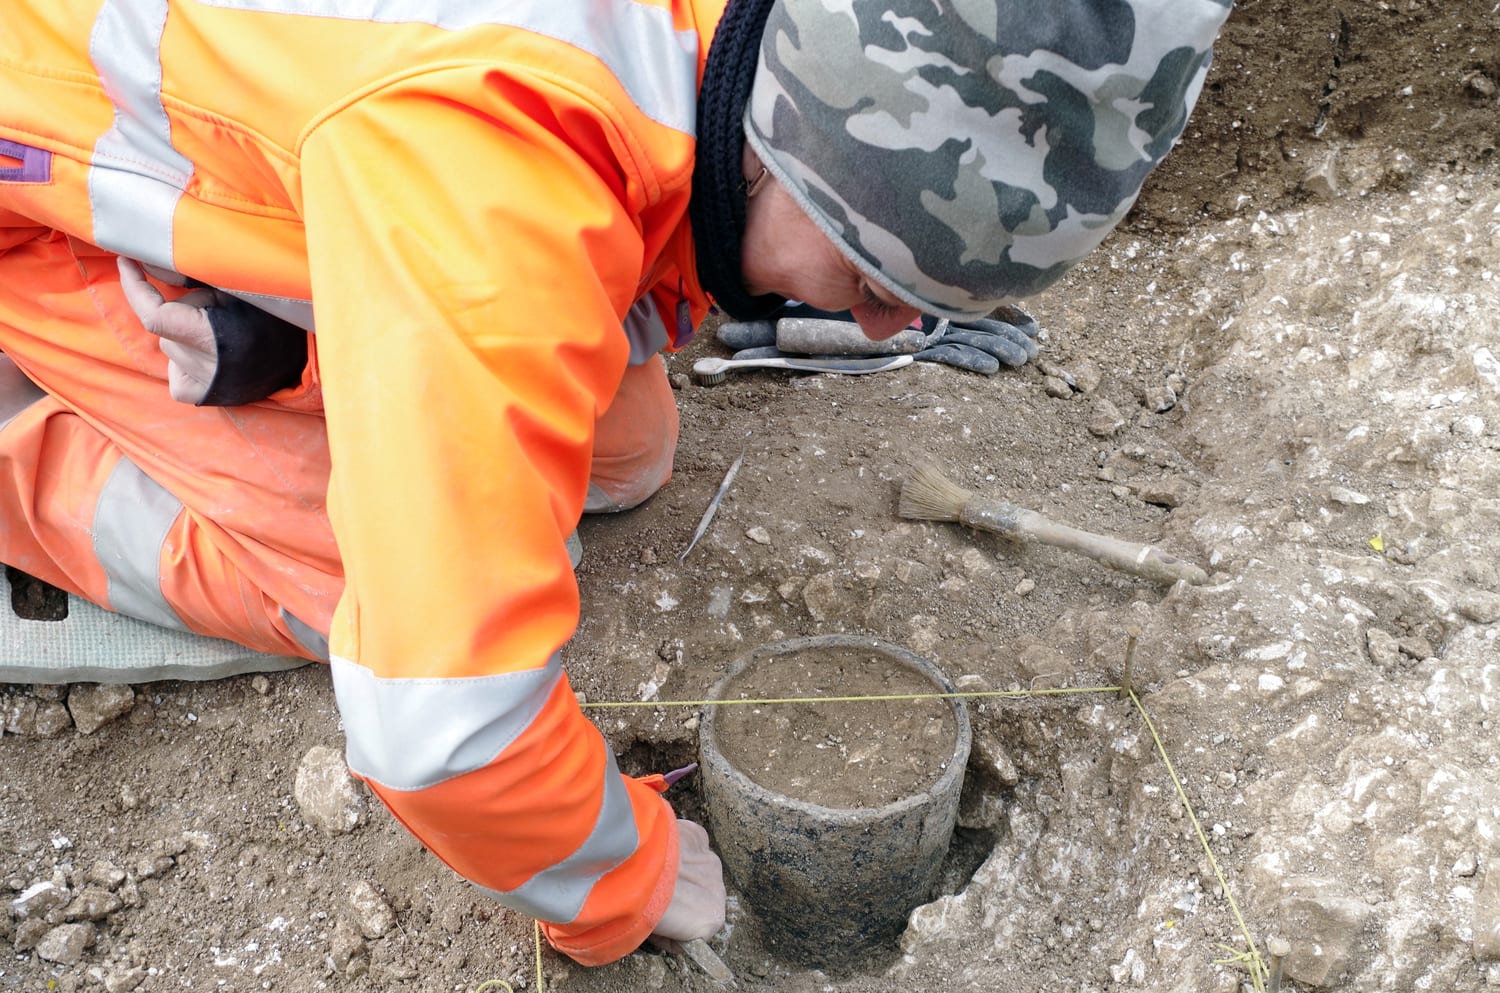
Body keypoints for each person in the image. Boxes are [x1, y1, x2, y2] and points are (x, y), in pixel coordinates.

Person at [0, 0, 1231, 966]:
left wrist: (294, 335)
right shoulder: (497, 195)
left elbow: (512, 223)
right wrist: (622, 877)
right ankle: (23, 466)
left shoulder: (715, 49)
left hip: (235, 180)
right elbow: (438, 733)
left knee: (628, 450)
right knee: (360, 600)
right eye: (874, 268)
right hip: (37, 213)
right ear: (796, 148)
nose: (890, 322)